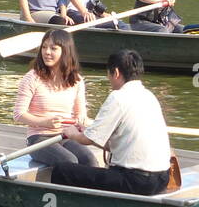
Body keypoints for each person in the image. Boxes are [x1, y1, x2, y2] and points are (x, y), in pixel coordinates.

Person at [51, 50, 173, 196]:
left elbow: (88, 139)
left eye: (108, 74)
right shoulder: (149, 95)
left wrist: (72, 134)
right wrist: (86, 131)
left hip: (137, 181)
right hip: (162, 178)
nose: (108, 79)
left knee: (62, 170)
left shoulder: (118, 97)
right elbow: (116, 142)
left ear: (115, 72)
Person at [13, 30, 93, 169]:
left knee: (89, 160)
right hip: (39, 138)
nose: (47, 52)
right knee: (69, 161)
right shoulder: (32, 78)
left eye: (53, 48)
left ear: (65, 51)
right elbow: (18, 114)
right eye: (44, 47)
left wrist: (81, 119)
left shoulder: (77, 80)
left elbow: (81, 115)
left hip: (66, 135)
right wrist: (44, 122)